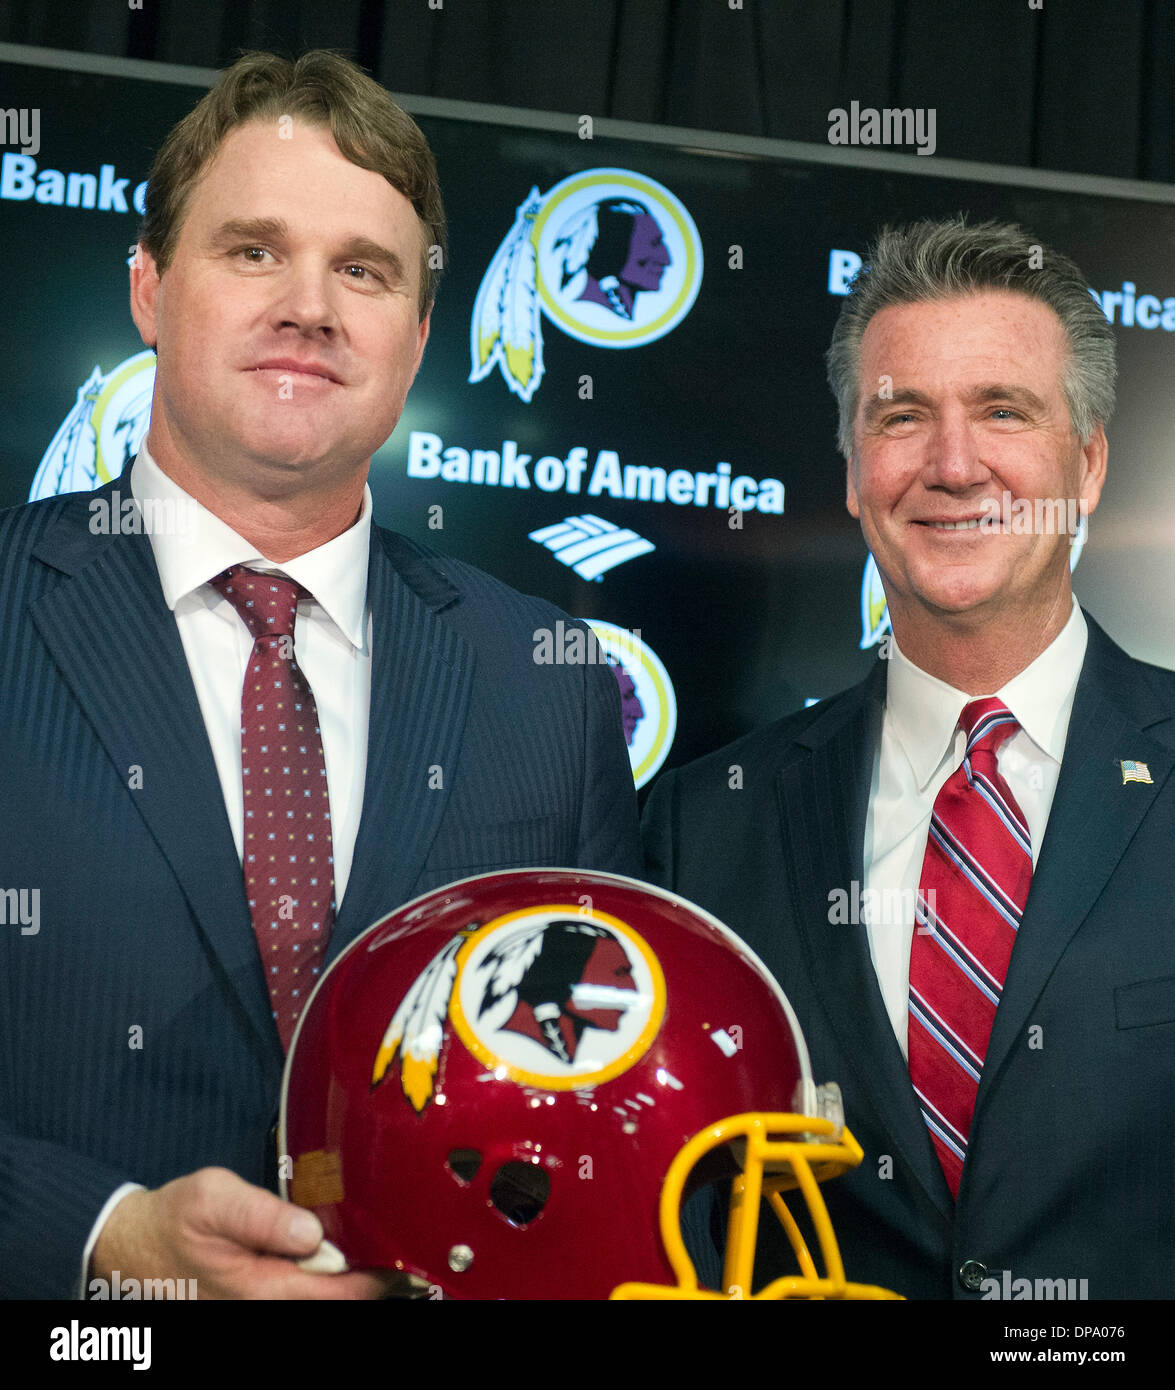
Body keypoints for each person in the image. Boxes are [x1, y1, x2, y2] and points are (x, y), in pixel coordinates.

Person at [0, 50, 640, 1300]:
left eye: (363, 270)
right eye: (253, 250)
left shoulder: (545, 686)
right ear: (147, 287)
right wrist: (100, 1240)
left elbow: (594, 1107)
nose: (310, 306)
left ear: (413, 338)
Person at [644, 217, 1175, 1299]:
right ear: (850, 471)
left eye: (1000, 409)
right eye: (900, 416)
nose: (949, 462)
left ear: (1084, 463)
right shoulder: (700, 832)